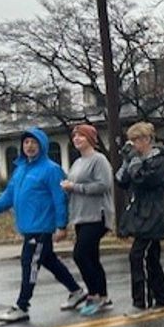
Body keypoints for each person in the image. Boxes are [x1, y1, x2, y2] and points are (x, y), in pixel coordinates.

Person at [0, 128, 86, 324]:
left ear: (42, 145)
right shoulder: (20, 169)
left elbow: (59, 198)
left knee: (29, 263)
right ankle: (77, 291)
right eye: (26, 142)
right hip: (27, 226)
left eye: (34, 142)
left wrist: (62, 225)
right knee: (48, 260)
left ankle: (22, 306)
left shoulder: (51, 169)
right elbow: (9, 195)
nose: (29, 146)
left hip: (41, 227)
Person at [116, 122, 164, 318]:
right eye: (132, 140)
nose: (134, 144)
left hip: (154, 213)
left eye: (137, 140)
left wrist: (134, 163)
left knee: (138, 255)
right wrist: (127, 161)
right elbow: (122, 181)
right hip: (142, 212)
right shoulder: (137, 160)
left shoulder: (158, 161)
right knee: (151, 258)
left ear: (147, 139)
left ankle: (140, 302)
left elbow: (144, 180)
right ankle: (163, 299)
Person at [62, 124, 115, 316]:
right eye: (74, 136)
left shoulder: (98, 160)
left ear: (91, 139)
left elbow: (103, 185)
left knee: (80, 254)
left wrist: (75, 187)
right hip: (81, 215)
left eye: (81, 136)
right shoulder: (77, 163)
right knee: (92, 257)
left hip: (97, 215)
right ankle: (102, 295)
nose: (76, 139)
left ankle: (94, 294)